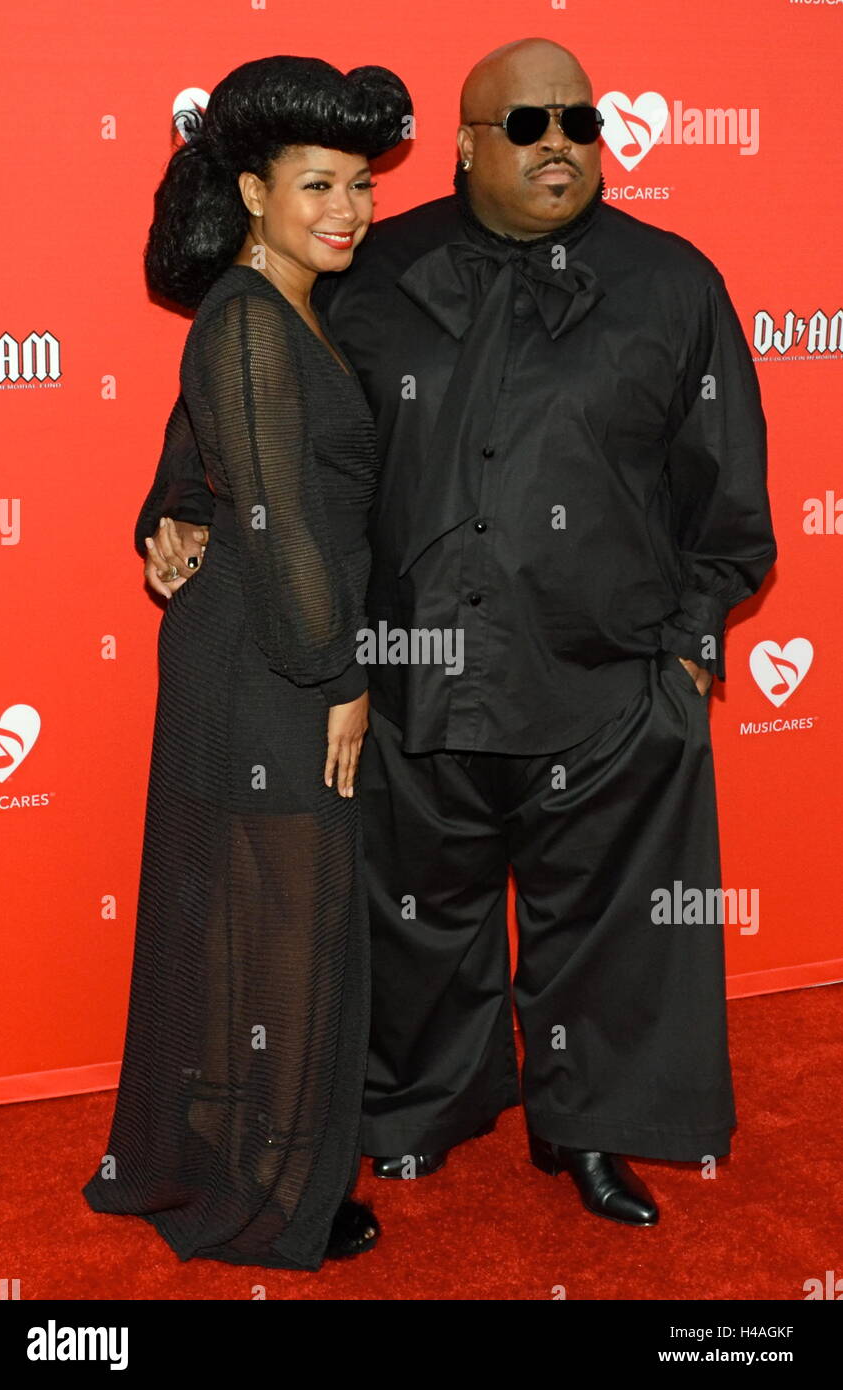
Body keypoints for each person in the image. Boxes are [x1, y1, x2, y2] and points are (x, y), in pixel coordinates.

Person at [141, 38, 776, 1228]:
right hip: (405, 677)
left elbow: (724, 486)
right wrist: (177, 498)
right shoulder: (371, 266)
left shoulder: (673, 282)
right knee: (417, 915)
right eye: (525, 124)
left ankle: (589, 1132)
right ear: (468, 142)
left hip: (601, 684)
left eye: (578, 123)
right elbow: (258, 390)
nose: (557, 144)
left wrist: (686, 650)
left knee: (608, 935)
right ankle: (415, 1113)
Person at [82, 54, 411, 1270]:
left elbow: (196, 474)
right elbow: (278, 522)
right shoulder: (248, 320)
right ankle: (275, 1193)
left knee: (257, 915)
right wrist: (339, 678)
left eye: (360, 186)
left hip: (260, 644)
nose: (346, 209)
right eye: (317, 185)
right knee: (284, 921)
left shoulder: (280, 311)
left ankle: (239, 1151)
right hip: (271, 661)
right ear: (255, 191)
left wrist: (159, 522)